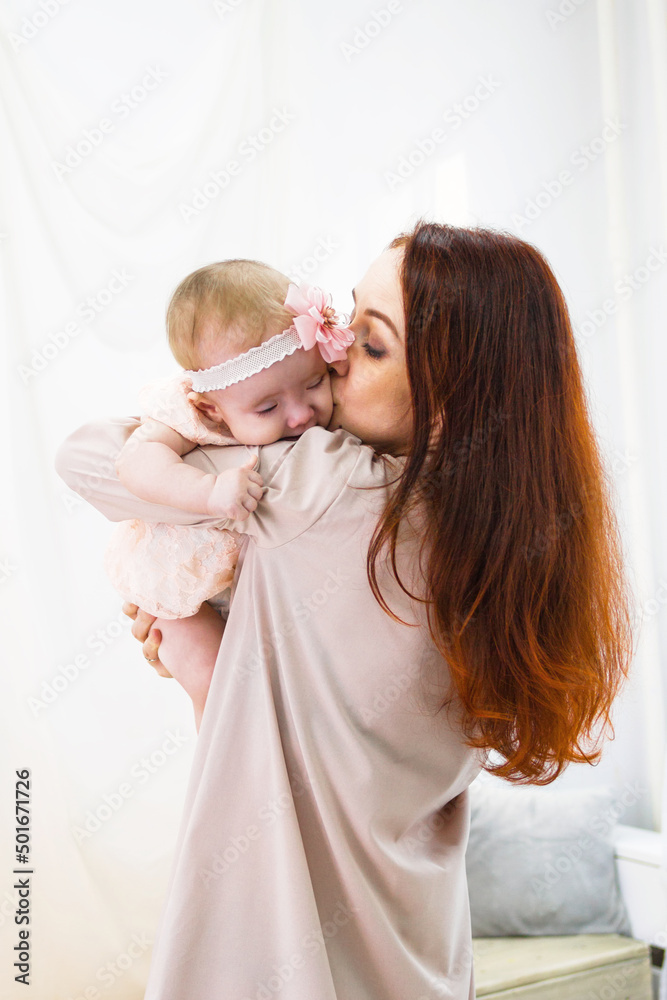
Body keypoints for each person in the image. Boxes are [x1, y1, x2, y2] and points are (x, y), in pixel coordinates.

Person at [55, 221, 633, 1000]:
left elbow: (89, 459)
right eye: (340, 321)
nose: (327, 351)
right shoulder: (504, 543)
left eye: (367, 343)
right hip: (419, 960)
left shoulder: (324, 489)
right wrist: (223, 676)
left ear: (447, 392)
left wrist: (197, 416)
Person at [103, 259, 353, 727]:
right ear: (211, 410)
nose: (301, 415)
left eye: (315, 382)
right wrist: (207, 491)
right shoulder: (189, 414)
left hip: (257, 589)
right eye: (267, 406)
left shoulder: (318, 416)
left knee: (273, 694)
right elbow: (134, 464)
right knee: (215, 684)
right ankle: (220, 778)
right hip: (182, 592)